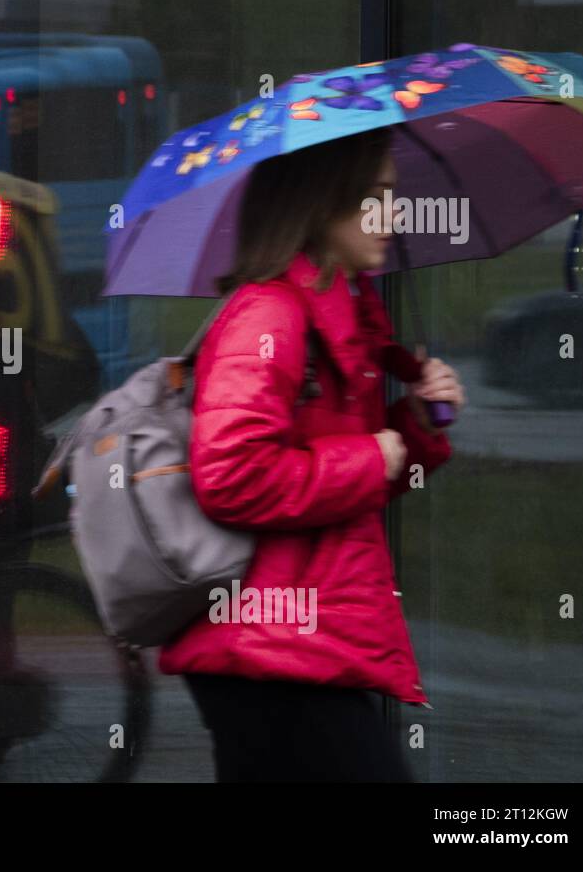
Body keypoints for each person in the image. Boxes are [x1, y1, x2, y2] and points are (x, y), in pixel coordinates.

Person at [160, 127, 466, 782]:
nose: (396, 213)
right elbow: (233, 477)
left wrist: (408, 429)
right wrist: (371, 456)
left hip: (292, 643)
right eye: (378, 195)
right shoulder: (271, 315)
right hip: (270, 650)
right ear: (324, 199)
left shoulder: (335, 318)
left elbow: (324, 469)